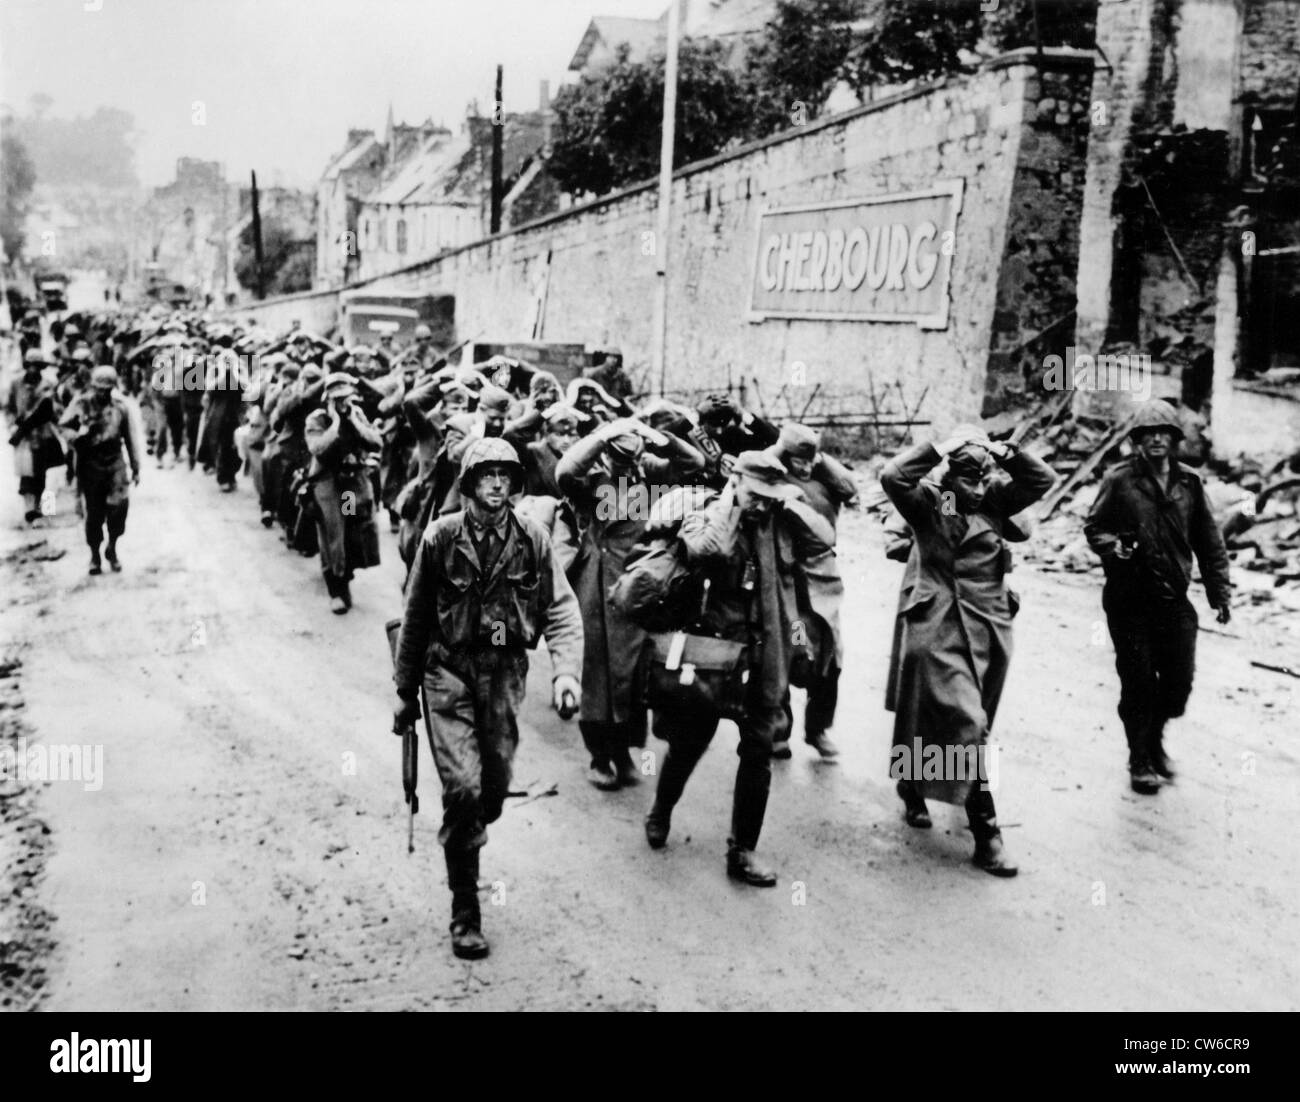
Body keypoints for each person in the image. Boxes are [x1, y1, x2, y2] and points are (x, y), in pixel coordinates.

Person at [392, 436, 583, 960]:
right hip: (447, 671)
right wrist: (405, 692)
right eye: (487, 475)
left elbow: (561, 609)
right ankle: (465, 911)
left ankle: (476, 817)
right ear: (470, 483)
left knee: (492, 787)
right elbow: (414, 620)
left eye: (506, 476)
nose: (497, 484)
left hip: (503, 676)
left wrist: (566, 673)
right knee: (464, 790)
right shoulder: (440, 537)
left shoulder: (533, 538)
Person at [642, 452, 835, 886]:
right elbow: (711, 550)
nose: (761, 504)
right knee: (690, 743)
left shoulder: (781, 521)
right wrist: (732, 503)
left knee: (758, 753)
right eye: (755, 494)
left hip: (765, 659)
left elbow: (824, 538)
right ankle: (661, 809)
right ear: (735, 480)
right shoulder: (705, 513)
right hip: (715, 658)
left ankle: (742, 850)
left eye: (769, 496)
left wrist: (788, 501)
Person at [881, 426, 1055, 877]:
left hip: (990, 626)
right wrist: (942, 444)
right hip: (940, 626)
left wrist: (1003, 451)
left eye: (983, 478)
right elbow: (892, 476)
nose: (976, 490)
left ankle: (912, 777)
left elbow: (1042, 480)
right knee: (969, 724)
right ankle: (988, 833)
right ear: (949, 477)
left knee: (970, 722)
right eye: (968, 479)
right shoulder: (929, 503)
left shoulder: (995, 499)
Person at [1084, 400, 1232, 794]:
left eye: (1163, 433)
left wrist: (1220, 593)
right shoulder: (1120, 480)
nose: (1155, 440)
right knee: (1138, 683)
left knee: (1179, 684)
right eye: (1147, 434)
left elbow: (1210, 542)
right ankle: (1140, 757)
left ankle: (1154, 737)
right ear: (1137, 441)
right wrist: (1114, 547)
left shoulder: (1191, 484)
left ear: (1174, 439)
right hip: (1129, 599)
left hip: (1173, 599)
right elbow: (1094, 527)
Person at [557, 416, 705, 790]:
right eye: (620, 458)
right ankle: (599, 756)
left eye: (633, 458)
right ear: (607, 455)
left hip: (640, 583)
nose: (629, 466)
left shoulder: (650, 476)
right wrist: (599, 435)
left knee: (635, 674)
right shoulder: (591, 482)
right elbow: (564, 472)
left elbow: (695, 465)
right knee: (598, 671)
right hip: (598, 583)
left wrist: (663, 438)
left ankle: (624, 751)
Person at [765, 423, 856, 760]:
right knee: (795, 652)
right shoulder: (775, 480)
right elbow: (755, 467)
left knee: (831, 659)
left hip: (825, 583)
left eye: (809, 459)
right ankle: (779, 729)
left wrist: (819, 454)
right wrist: (780, 445)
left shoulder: (826, 483)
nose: (804, 466)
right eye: (797, 459)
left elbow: (849, 486)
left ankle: (817, 729)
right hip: (790, 584)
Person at [303, 373, 383, 613]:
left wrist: (354, 422)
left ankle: (344, 577)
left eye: (346, 398)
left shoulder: (356, 414)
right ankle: (335, 590)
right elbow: (318, 448)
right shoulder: (317, 420)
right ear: (328, 399)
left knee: (351, 532)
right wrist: (336, 423)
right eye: (337, 399)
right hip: (328, 482)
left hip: (351, 484)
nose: (343, 403)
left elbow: (375, 442)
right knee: (332, 535)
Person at [58, 366, 141, 575]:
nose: (103, 393)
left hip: (115, 462)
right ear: (93, 387)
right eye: (99, 389)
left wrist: (136, 467)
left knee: (119, 507)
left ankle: (112, 548)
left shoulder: (120, 408)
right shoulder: (81, 404)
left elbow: (130, 439)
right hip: (90, 462)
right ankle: (94, 555)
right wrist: (77, 437)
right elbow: (64, 426)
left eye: (107, 389)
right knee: (94, 513)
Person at [6, 349, 64, 523]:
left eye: (37, 366)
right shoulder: (16, 384)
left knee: (48, 473)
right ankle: (30, 509)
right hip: (24, 435)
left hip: (45, 432)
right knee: (27, 474)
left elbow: (57, 410)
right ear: (25, 366)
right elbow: (8, 407)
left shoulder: (48, 385)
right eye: (30, 366)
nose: (33, 370)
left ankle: (46, 509)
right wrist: (12, 424)